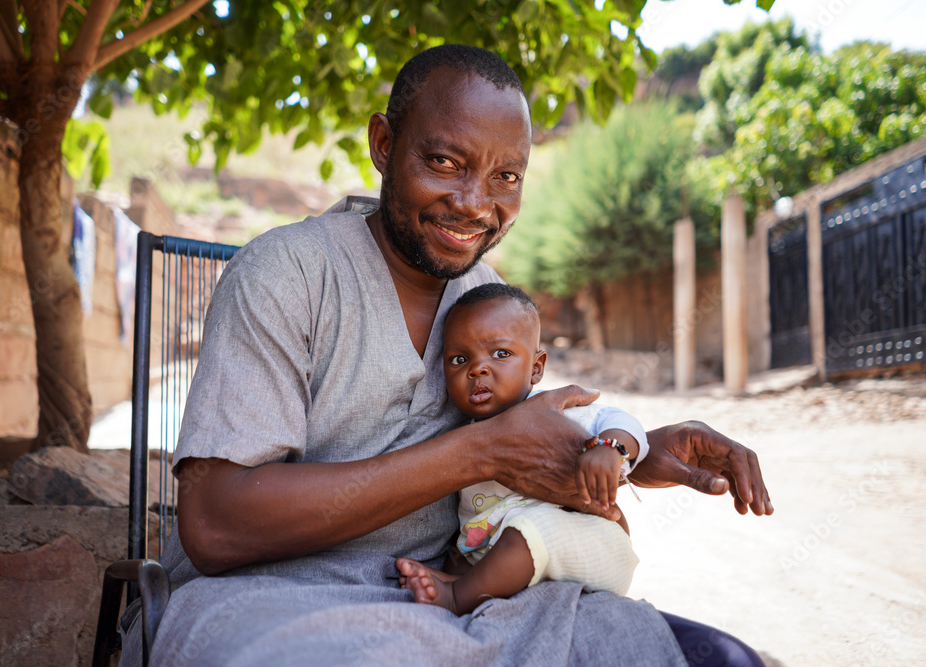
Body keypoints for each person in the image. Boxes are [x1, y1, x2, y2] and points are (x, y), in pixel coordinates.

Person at [120, 44, 773, 666]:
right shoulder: (287, 272)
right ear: (383, 145)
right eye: (444, 162)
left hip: (459, 596)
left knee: (714, 657)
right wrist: (478, 451)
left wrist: (635, 451)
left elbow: (528, 443)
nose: (474, 203)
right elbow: (214, 524)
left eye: (505, 176)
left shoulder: (486, 295)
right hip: (273, 602)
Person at [397, 283, 647, 615]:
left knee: (528, 531)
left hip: (593, 548)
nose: (478, 369)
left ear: (537, 367)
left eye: (500, 354)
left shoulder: (557, 414)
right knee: (473, 547)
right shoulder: (463, 437)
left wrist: (609, 447)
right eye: (459, 359)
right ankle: (460, 581)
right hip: (515, 560)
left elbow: (620, 420)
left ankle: (456, 597)